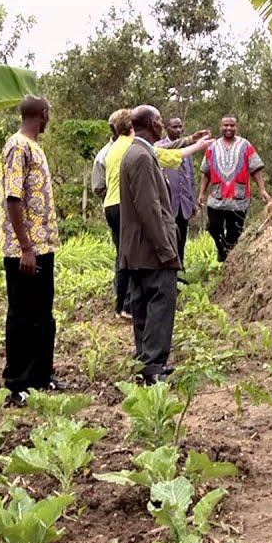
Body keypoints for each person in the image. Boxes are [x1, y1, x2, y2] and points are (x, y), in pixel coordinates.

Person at [97, 111, 210, 319]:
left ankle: (122, 305)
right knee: (135, 256)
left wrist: (188, 139)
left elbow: (99, 183)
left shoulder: (112, 148)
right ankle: (129, 304)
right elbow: (166, 155)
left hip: (111, 205)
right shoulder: (137, 149)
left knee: (124, 255)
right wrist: (196, 145)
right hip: (126, 205)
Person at [0, 96, 64, 405]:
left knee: (42, 315)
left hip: (43, 246)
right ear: (44, 114)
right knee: (22, 316)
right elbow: (13, 198)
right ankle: (17, 383)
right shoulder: (17, 146)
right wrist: (26, 247)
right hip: (24, 250)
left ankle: (40, 376)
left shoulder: (34, 147)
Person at [119, 105, 181, 383]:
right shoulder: (142, 156)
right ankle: (153, 366)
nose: (162, 125)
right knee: (159, 304)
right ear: (154, 124)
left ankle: (145, 362)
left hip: (138, 248)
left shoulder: (135, 152)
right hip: (151, 248)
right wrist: (166, 249)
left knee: (143, 305)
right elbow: (149, 208)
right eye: (160, 121)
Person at [198, 115, 270, 263]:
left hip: (239, 199)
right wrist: (201, 193)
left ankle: (228, 263)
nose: (229, 128)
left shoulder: (245, 145)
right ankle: (222, 252)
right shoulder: (212, 147)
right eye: (226, 125)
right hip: (217, 198)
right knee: (214, 228)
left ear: (236, 127)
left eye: (232, 125)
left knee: (234, 234)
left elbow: (256, 169)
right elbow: (206, 173)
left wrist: (262, 189)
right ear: (221, 127)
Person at [155, 117, 197, 269]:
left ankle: (180, 267)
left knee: (182, 236)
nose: (178, 130)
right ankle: (167, 266)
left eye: (180, 127)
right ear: (166, 128)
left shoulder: (187, 150)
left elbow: (190, 176)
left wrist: (193, 202)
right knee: (167, 236)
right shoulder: (159, 147)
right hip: (167, 203)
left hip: (183, 203)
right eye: (174, 127)